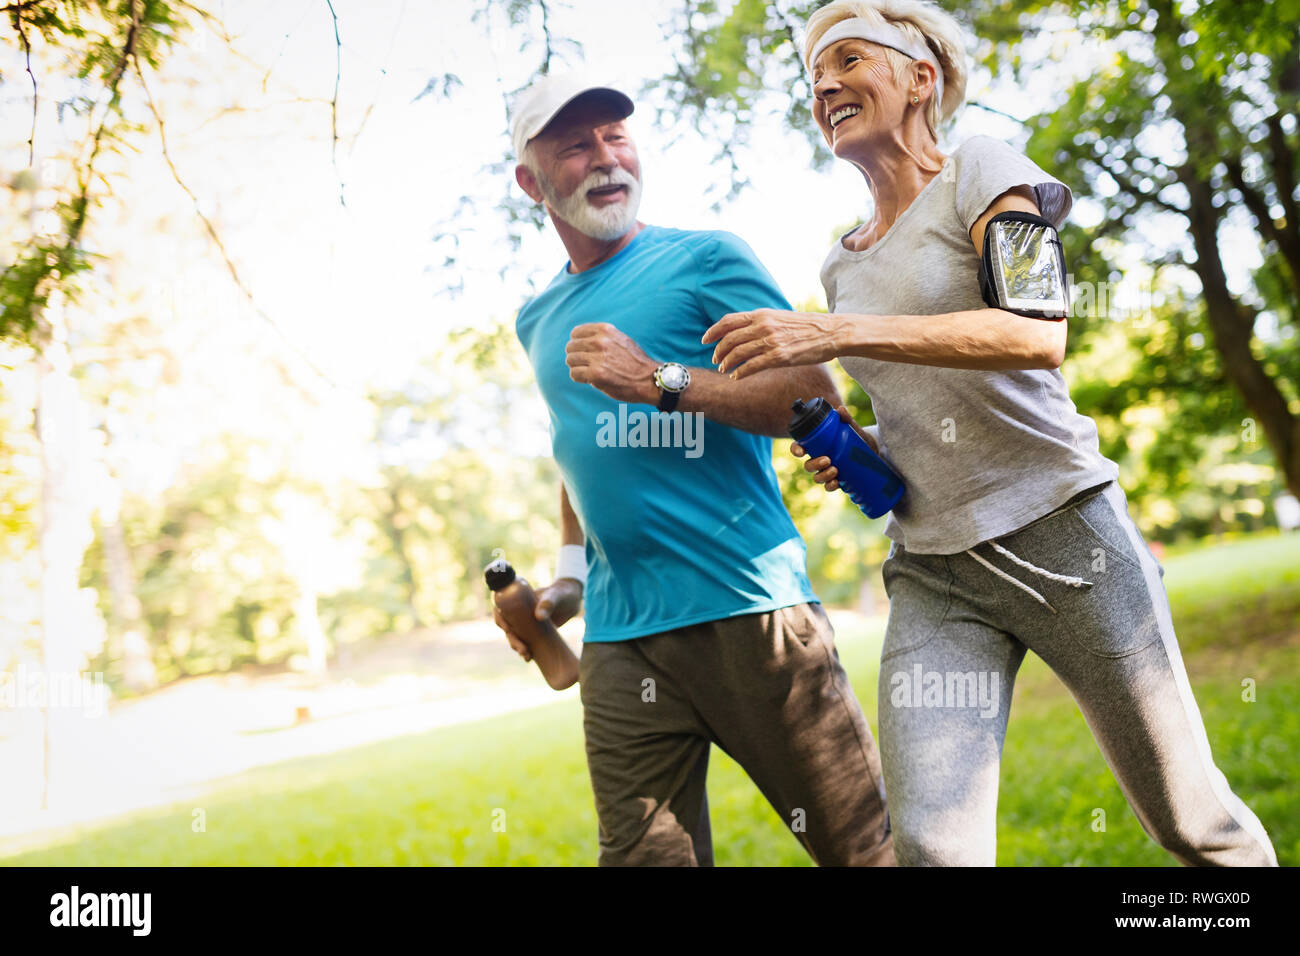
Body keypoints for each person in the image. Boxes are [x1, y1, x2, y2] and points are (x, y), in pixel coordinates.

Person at [702, 0, 1278, 867]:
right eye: (814, 78)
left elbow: (1037, 331)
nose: (825, 87)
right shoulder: (842, 262)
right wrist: (860, 450)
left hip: (1067, 537)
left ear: (919, 78)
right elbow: (918, 397)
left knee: (1193, 823)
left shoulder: (983, 169)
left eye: (849, 61)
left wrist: (833, 332)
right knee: (933, 845)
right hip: (938, 571)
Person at [497, 70, 895, 866]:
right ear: (530, 181)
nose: (606, 158)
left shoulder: (706, 259)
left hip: (750, 609)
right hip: (621, 639)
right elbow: (578, 450)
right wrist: (569, 581)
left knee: (860, 853)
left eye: (616, 137)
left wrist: (658, 380)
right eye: (576, 146)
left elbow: (812, 401)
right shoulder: (535, 318)